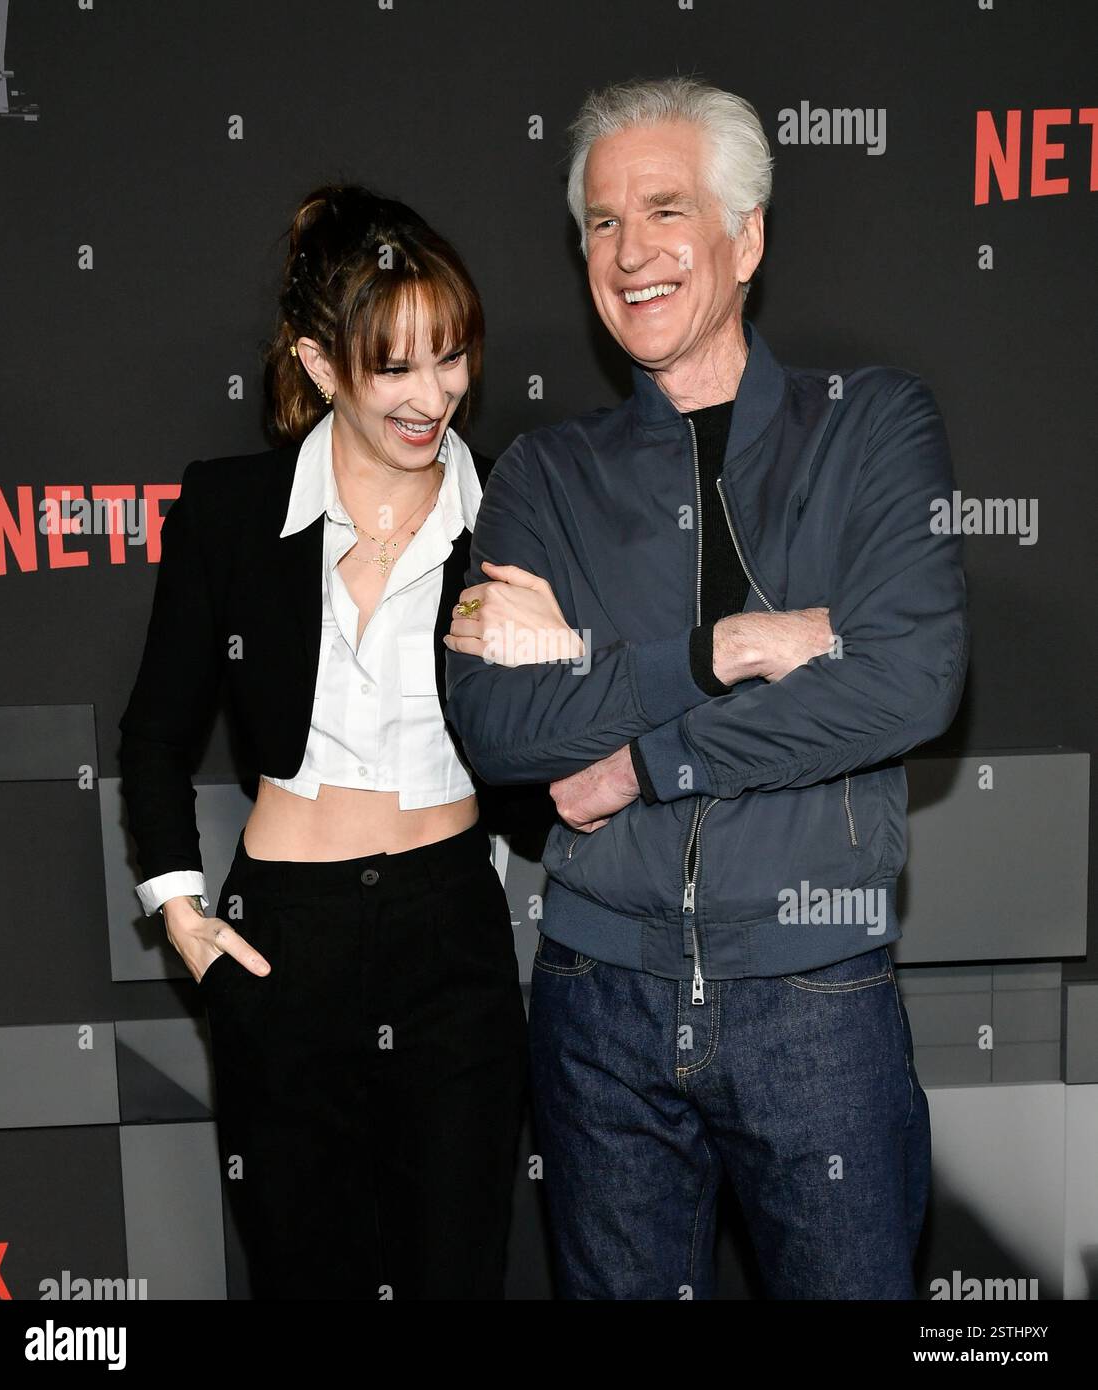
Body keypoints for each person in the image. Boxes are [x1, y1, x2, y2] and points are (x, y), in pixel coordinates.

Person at [443, 78, 969, 1299]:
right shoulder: (540, 478)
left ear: (746, 236)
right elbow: (496, 720)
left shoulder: (872, 427)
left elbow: (909, 680)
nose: (629, 252)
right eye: (601, 224)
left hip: (816, 998)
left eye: (664, 209)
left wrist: (639, 754)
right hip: (595, 1005)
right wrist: (720, 651)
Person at [117, 184, 571, 1300]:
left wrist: (564, 650)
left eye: (453, 356)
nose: (435, 396)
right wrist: (184, 922)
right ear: (323, 367)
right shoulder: (229, 512)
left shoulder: (517, 511)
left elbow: (564, 739)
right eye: (396, 368)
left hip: (450, 939)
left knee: (453, 1278)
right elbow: (155, 732)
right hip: (283, 940)